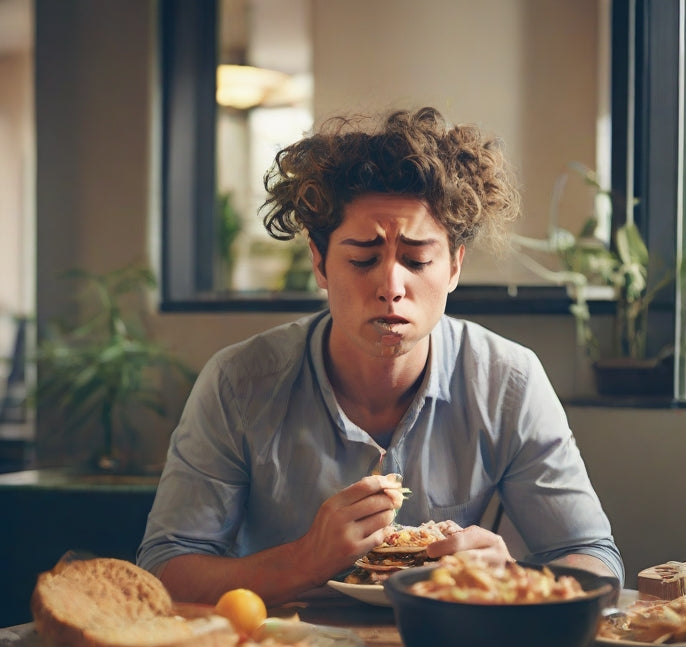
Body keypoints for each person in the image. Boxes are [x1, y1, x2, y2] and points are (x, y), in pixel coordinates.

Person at [137, 106, 624, 605]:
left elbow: (594, 561)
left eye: (416, 260)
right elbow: (165, 570)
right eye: (363, 259)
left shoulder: (508, 381)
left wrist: (510, 577)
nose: (392, 287)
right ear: (320, 261)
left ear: (454, 267)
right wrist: (306, 558)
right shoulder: (238, 383)